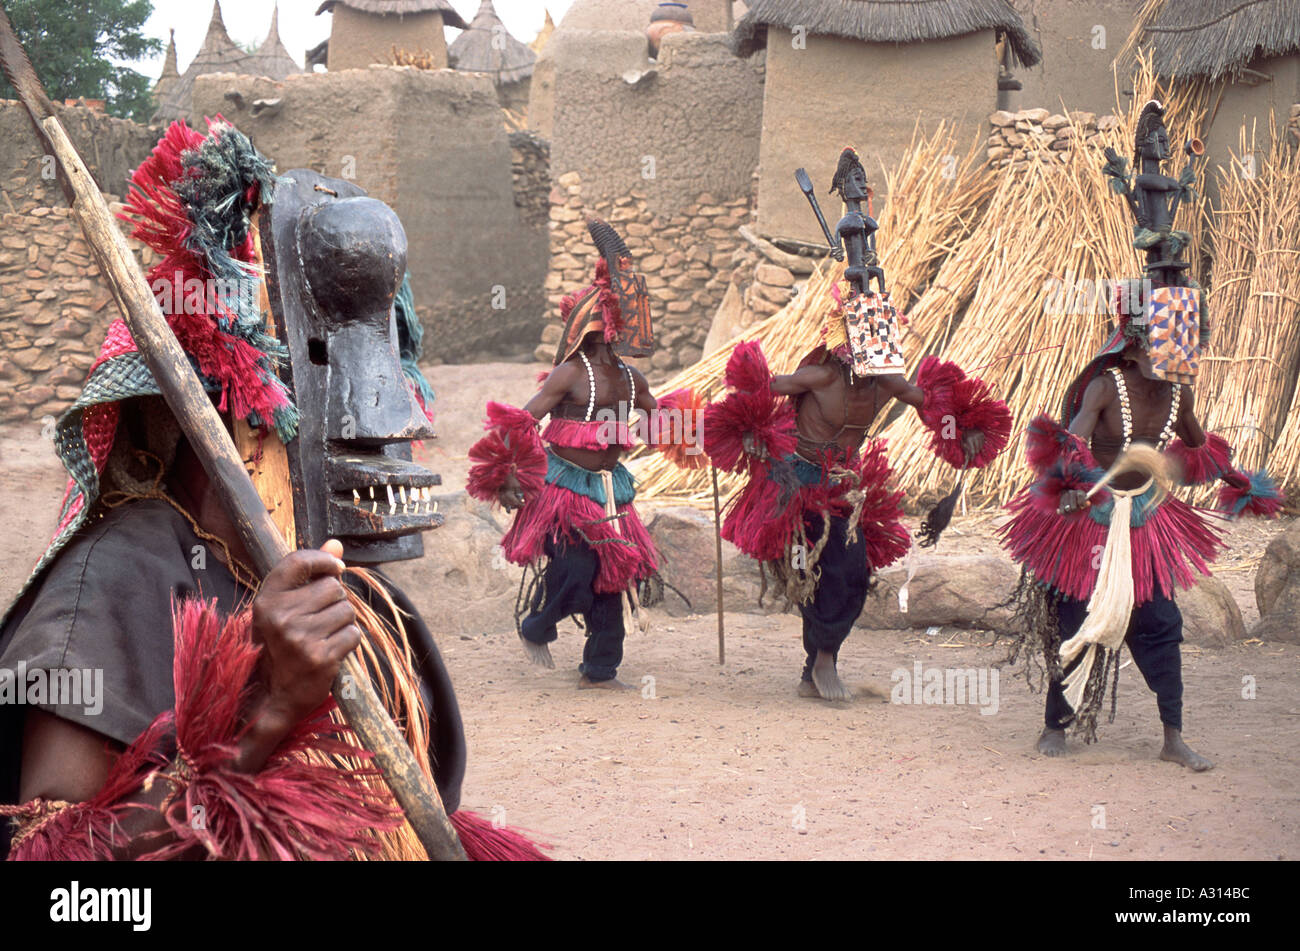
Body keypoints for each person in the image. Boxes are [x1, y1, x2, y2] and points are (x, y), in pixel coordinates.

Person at [0, 118, 544, 860]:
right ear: (228, 408)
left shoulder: (346, 581)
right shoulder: (112, 585)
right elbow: (64, 881)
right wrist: (262, 712)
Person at [1002, 105, 1282, 765]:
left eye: (1178, 345)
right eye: (1161, 342)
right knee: (1076, 619)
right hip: (1092, 521)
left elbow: (1196, 445)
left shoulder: (1178, 390)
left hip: (1145, 523)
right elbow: (1070, 442)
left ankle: (1174, 736)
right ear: (1134, 342)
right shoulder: (1107, 387)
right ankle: (1055, 725)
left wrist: (1236, 478)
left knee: (1160, 624)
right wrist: (1066, 487)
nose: (1172, 356)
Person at [702, 149, 1012, 701]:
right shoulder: (818, 375)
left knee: (849, 574)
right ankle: (819, 666)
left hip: (846, 488)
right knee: (820, 576)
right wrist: (740, 427)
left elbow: (929, 405)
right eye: (870, 342)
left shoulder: (887, 381)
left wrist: (963, 431)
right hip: (795, 483)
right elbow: (759, 388)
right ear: (848, 342)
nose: (880, 352)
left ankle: (819, 664)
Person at [468, 216, 694, 689]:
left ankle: (601, 665)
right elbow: (523, 421)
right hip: (562, 491)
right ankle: (538, 625)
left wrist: (699, 434)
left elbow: (661, 423)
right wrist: (506, 477)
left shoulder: (634, 380)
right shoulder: (569, 375)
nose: (632, 330)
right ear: (600, 326)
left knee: (612, 577)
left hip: (612, 494)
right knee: (576, 569)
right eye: (624, 321)